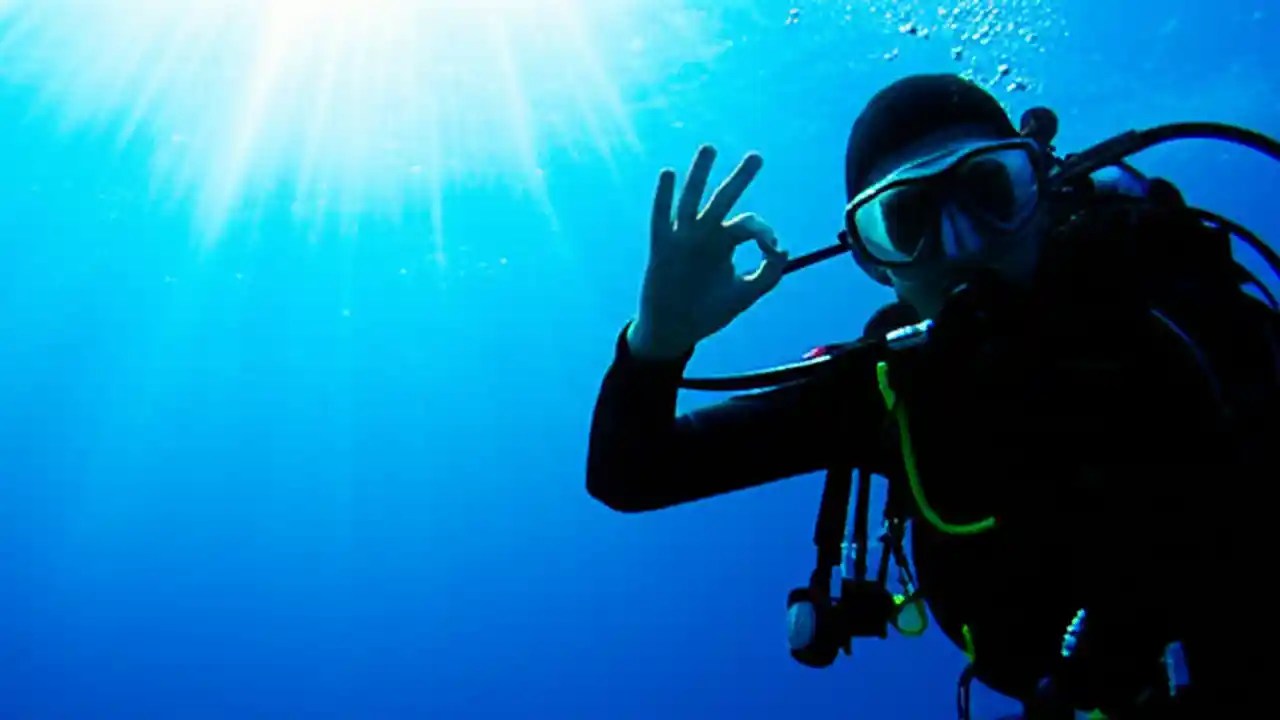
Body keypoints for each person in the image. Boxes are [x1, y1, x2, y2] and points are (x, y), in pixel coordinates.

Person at [586, 73, 1280, 718]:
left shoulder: (1170, 306)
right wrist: (657, 343)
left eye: (990, 191)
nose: (961, 243)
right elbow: (632, 472)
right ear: (871, 260)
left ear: (1038, 188)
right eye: (909, 219)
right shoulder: (884, 389)